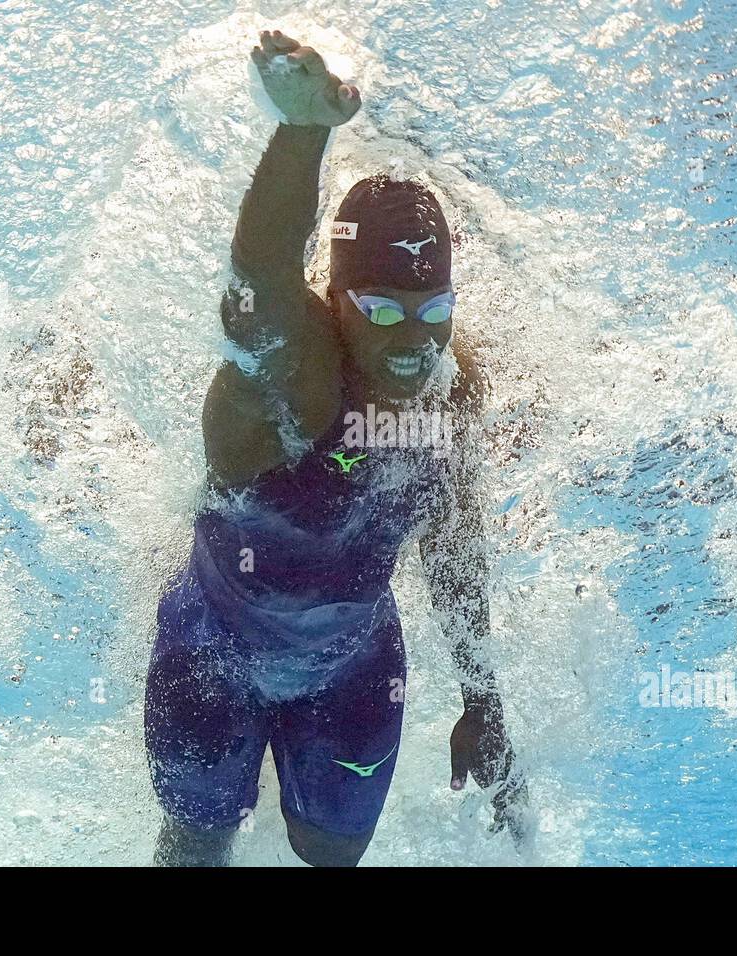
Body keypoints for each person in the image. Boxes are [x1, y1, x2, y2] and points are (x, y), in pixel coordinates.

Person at [145, 28, 526, 867]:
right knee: (195, 851)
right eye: (381, 311)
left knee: (331, 855)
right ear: (336, 298)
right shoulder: (296, 375)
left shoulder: (452, 389)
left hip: (353, 665)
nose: (412, 340)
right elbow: (258, 277)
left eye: (433, 310)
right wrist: (302, 131)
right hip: (213, 652)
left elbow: (453, 536)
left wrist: (482, 697)